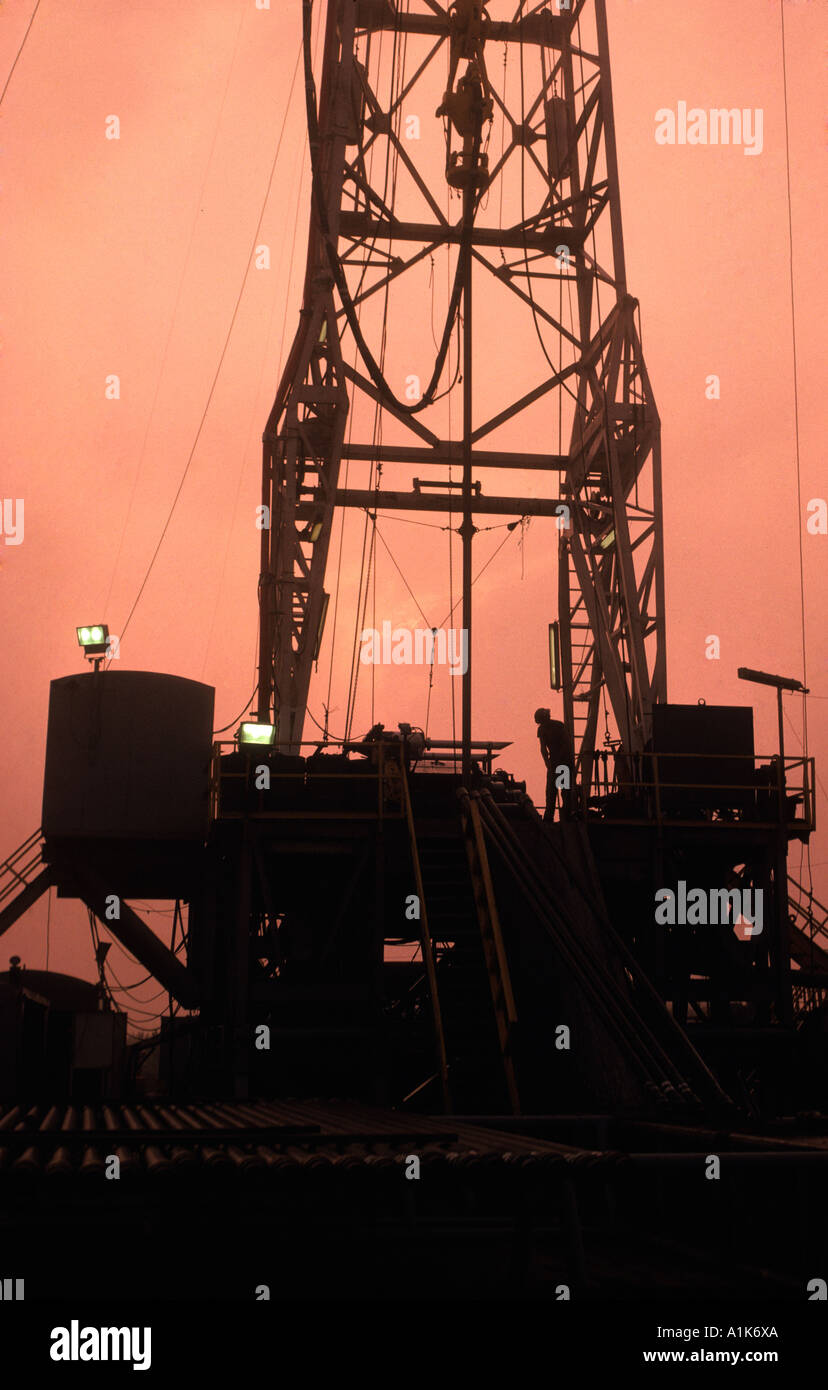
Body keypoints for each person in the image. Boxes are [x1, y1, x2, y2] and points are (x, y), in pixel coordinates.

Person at [534, 708, 573, 821]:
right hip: (559, 763)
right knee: (558, 792)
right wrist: (550, 764)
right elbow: (544, 749)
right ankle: (561, 817)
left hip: (560, 763)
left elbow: (545, 749)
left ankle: (556, 817)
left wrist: (550, 763)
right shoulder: (552, 727)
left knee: (557, 792)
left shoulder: (550, 728)